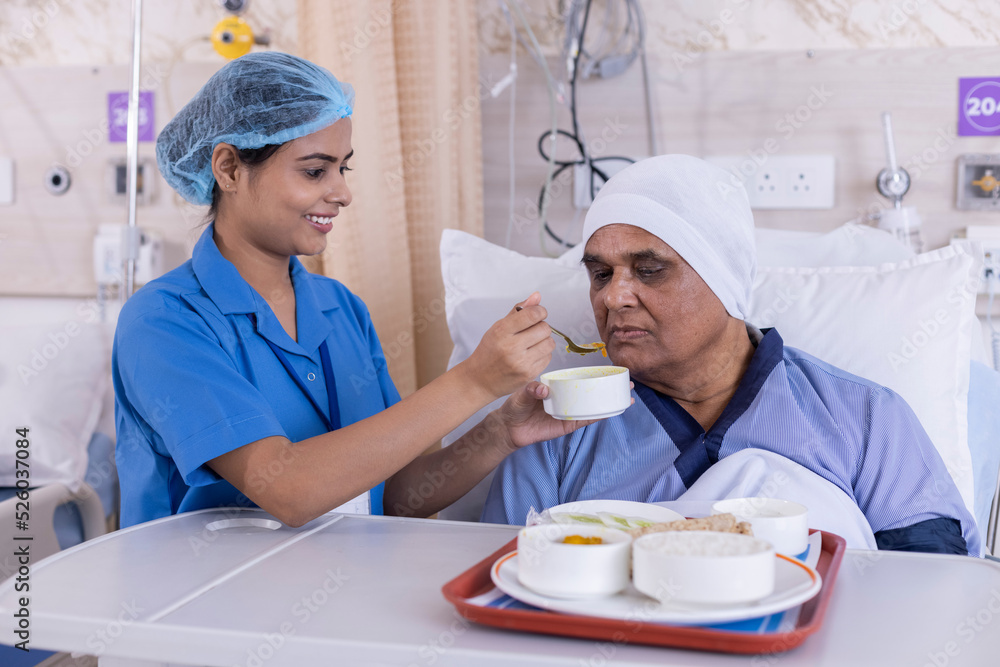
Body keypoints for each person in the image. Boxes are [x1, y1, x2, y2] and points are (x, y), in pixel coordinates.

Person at [113, 52, 592, 528]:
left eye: (344, 168)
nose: (341, 192)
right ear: (229, 169)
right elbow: (289, 491)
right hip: (200, 596)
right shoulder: (164, 321)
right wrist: (474, 381)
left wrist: (500, 432)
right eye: (315, 171)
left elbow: (395, 496)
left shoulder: (341, 309)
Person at [480, 154, 981, 556]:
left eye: (649, 270)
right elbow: (502, 582)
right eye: (601, 274)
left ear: (723, 280)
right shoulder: (557, 434)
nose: (613, 298)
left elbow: (927, 592)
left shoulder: (867, 418)